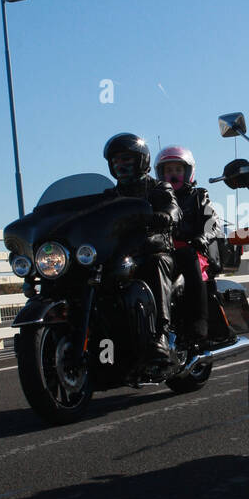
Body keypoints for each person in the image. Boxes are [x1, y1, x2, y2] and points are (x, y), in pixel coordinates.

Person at [103, 132, 181, 366]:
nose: (120, 165)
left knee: (155, 265)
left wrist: (166, 216)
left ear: (141, 161)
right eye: (116, 161)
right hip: (122, 254)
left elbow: (173, 209)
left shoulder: (158, 187)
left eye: (126, 159)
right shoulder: (109, 195)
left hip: (154, 250)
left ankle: (161, 336)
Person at [154, 144, 222, 345]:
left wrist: (202, 237)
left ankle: (198, 323)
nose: (173, 174)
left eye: (178, 169)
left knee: (189, 259)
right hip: (163, 250)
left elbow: (213, 222)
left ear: (188, 171)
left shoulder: (198, 195)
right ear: (161, 174)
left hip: (192, 248)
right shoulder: (156, 199)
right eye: (168, 170)